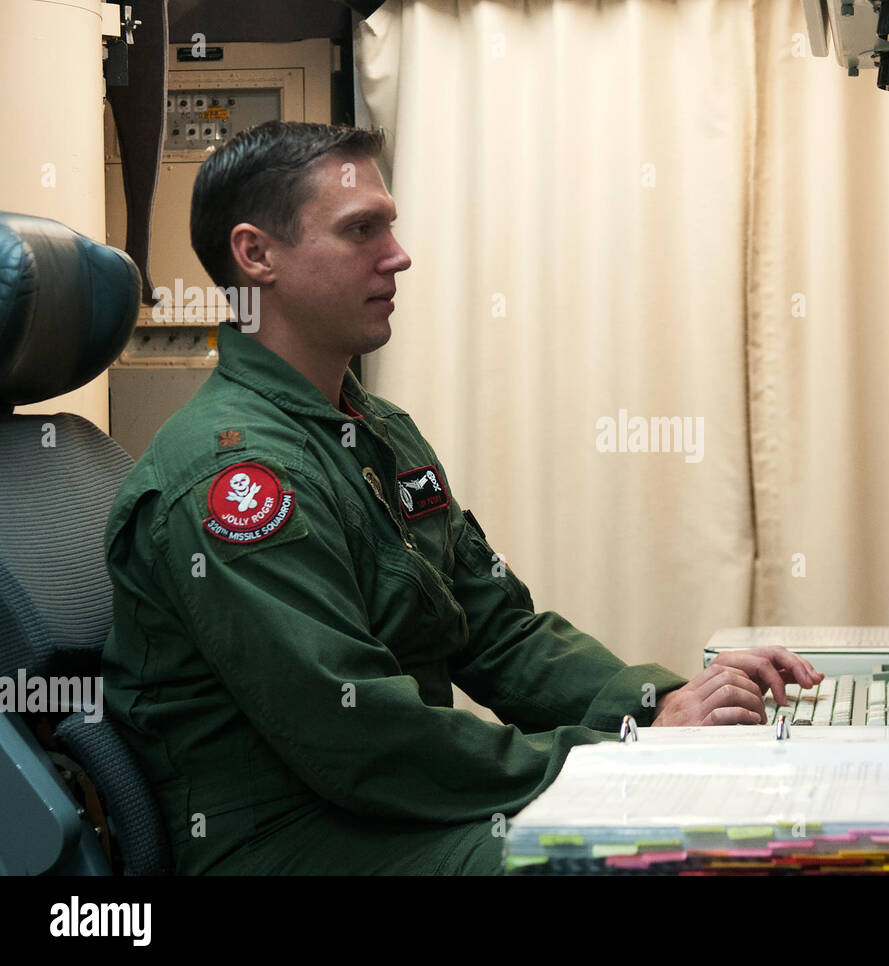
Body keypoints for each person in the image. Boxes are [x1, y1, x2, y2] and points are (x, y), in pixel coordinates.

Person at [101, 121, 823, 874]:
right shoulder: (236, 478)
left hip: (387, 812)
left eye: (391, 225)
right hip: (291, 843)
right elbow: (359, 741)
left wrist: (669, 703)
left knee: (743, 824)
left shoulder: (371, 429)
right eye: (361, 230)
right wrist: (627, 752)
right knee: (679, 858)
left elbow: (496, 630)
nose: (398, 254)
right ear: (256, 255)